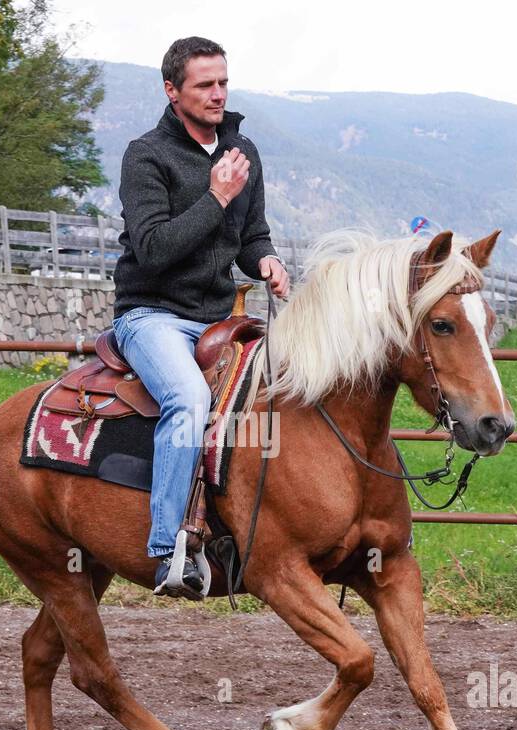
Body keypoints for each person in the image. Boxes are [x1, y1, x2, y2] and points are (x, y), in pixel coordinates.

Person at [111, 36, 290, 599]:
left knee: (288, 392)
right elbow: (155, 248)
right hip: (152, 316)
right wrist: (214, 197)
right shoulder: (146, 156)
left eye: (223, 83)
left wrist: (266, 260)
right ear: (172, 90)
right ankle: (170, 552)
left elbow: (250, 234)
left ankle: (264, 538)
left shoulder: (242, 153)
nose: (218, 94)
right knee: (188, 401)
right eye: (204, 85)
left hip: (221, 321)